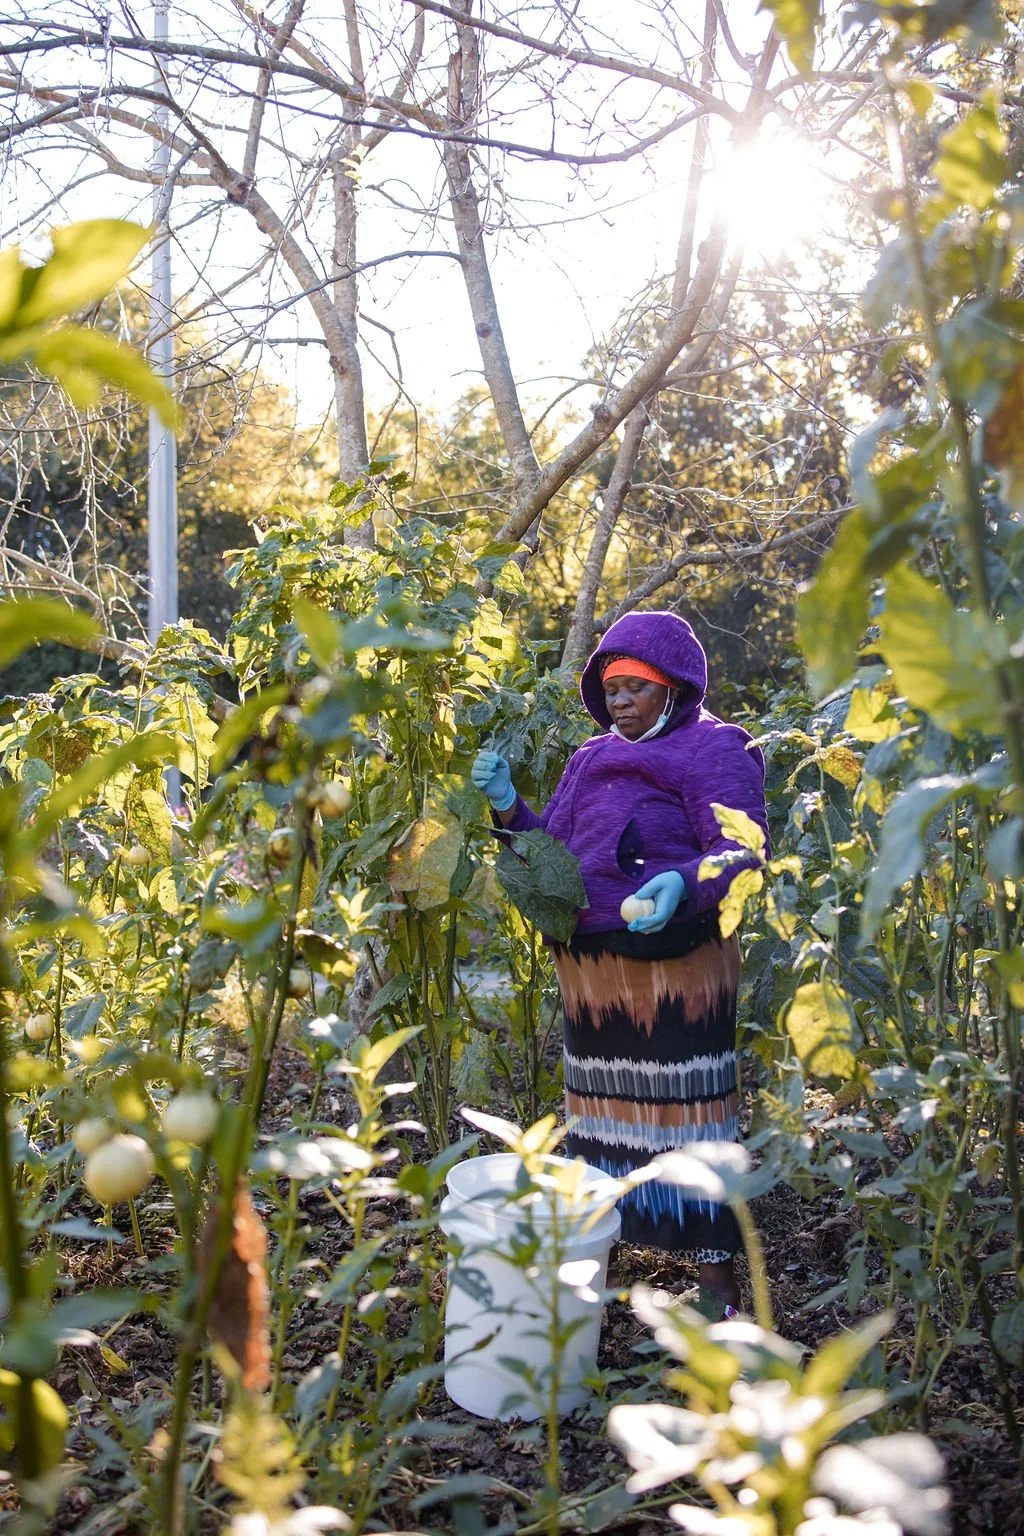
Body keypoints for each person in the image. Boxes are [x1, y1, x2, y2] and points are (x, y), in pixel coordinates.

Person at [472, 611, 768, 1314]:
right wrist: (509, 806)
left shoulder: (714, 748)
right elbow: (558, 855)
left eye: (637, 686)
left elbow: (743, 849)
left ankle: (716, 1287)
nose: (621, 701)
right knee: (601, 1120)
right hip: (595, 975)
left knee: (690, 1119)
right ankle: (593, 1266)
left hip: (677, 967)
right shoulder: (588, 757)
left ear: (675, 688)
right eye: (612, 689)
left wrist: (682, 885)